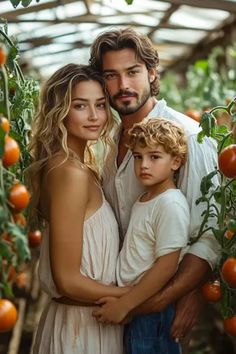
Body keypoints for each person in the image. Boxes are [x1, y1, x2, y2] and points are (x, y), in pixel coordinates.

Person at [90, 27, 219, 341]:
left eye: (132, 72)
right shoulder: (104, 143)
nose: (123, 86)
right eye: (111, 75)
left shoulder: (189, 137)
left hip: (164, 304)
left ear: (151, 73)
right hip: (116, 298)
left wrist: (170, 298)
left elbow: (209, 231)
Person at [27, 63, 129, 354]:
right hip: (80, 329)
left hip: (93, 320)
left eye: (100, 104)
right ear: (59, 112)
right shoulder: (69, 172)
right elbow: (68, 279)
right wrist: (132, 298)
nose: (95, 116)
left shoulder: (82, 168)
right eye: (81, 106)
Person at [93, 118, 190, 354]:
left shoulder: (170, 204)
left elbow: (167, 266)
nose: (144, 165)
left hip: (152, 311)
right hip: (138, 303)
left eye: (154, 157)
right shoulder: (145, 199)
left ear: (176, 161)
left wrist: (125, 305)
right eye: (138, 156)